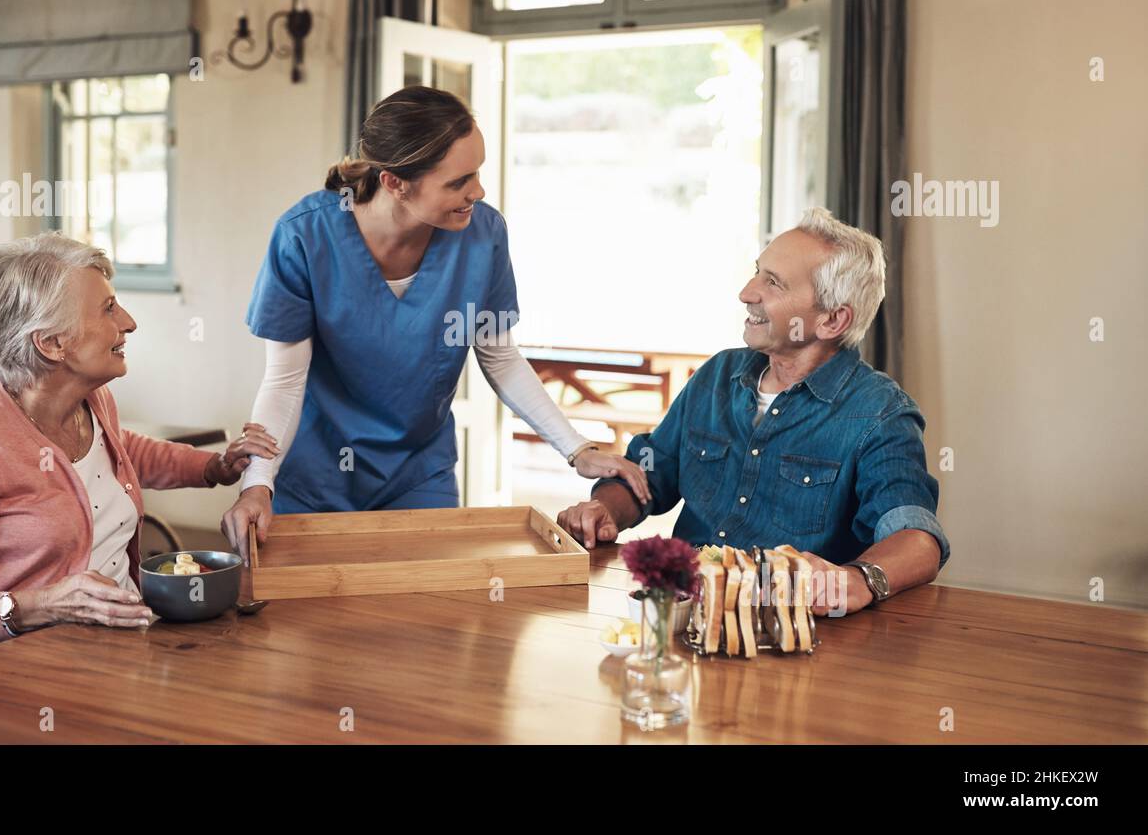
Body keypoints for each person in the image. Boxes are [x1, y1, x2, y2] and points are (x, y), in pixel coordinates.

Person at [220, 86, 649, 561]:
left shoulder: (483, 234)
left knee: (431, 620)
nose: (478, 191)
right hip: (317, 473)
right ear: (395, 182)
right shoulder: (304, 237)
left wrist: (577, 449)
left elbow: (500, 358)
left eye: (478, 173)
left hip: (419, 473)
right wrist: (257, 483)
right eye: (458, 181)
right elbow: (284, 381)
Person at [0, 234, 271, 664]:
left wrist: (215, 466)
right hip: (30, 675)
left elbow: (121, 452)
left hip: (125, 648)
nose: (128, 322)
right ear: (52, 344)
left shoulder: (91, 402)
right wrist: (33, 606)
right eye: (108, 308)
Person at [556, 208, 950, 616]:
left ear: (833, 320)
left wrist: (859, 579)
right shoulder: (717, 375)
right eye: (758, 272)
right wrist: (605, 511)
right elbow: (648, 474)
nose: (747, 292)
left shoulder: (880, 413)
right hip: (683, 616)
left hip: (793, 633)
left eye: (773, 283)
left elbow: (917, 538)